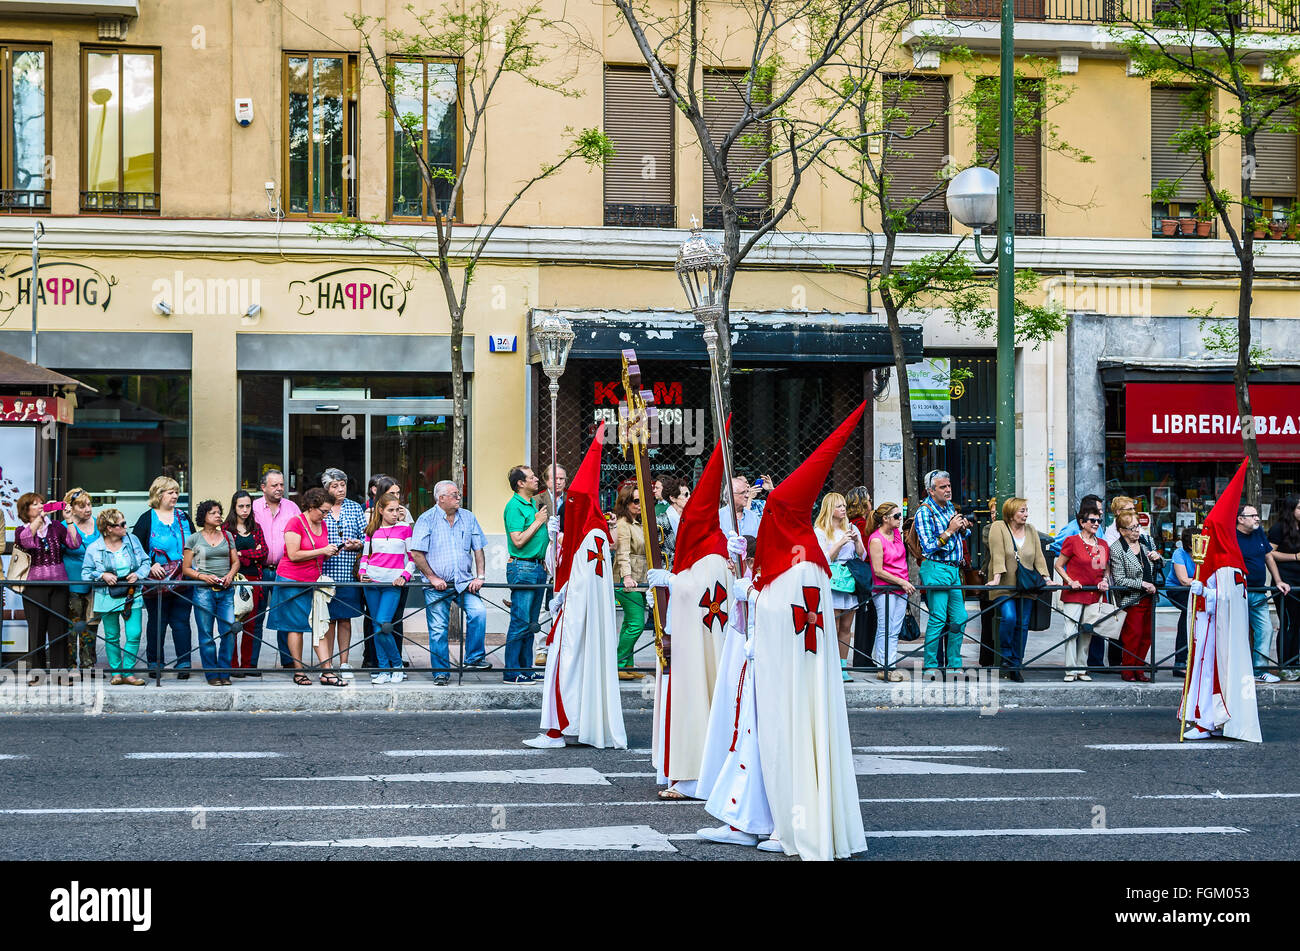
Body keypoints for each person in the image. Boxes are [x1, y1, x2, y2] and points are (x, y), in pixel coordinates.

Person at [742, 403, 867, 860]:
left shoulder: (794, 569)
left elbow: (779, 616)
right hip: (808, 673)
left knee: (787, 743)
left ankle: (791, 828)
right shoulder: (810, 560)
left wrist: (751, 596)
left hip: (788, 679)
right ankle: (809, 820)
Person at [645, 436, 740, 800]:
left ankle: (696, 776)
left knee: (698, 699)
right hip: (695, 641)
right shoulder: (709, 552)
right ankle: (684, 771)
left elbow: (697, 591)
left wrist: (671, 580)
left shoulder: (714, 556)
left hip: (700, 646)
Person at [525, 422, 627, 750]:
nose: (567, 505)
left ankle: (557, 731)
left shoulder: (592, 537)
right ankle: (572, 726)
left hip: (576, 617)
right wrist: (557, 541)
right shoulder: (588, 533)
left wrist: (562, 599)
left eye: (571, 503)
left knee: (563, 667)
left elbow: (583, 583)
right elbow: (565, 567)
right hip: (576, 615)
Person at [1180, 459, 1261, 742]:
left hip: (1217, 631)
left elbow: (1227, 601)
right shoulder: (1222, 562)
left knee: (1210, 675)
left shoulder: (1227, 564)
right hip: (1210, 627)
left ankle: (1208, 720)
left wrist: (1204, 593)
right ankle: (1204, 718)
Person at [411, 480, 489, 684]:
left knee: (478, 612)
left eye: (458, 494)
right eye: (454, 494)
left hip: (464, 582)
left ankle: (474, 658)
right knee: (438, 629)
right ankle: (441, 673)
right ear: (441, 498)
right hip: (437, 586)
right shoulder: (426, 519)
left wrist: (480, 576)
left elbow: (478, 548)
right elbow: (417, 553)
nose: (458, 498)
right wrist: (432, 577)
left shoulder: (468, 517)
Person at [268, 487, 337, 686]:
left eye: (328, 511)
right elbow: (293, 554)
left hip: (313, 581)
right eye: (323, 511)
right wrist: (323, 550)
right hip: (291, 580)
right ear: (311, 506)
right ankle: (299, 672)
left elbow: (317, 549)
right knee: (295, 627)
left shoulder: (322, 524)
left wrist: (331, 550)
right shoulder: (295, 522)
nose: (326, 515)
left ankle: (327, 671)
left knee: (320, 624)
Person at [132, 476, 195, 679]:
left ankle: (184, 663)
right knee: (157, 622)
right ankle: (155, 663)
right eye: (171, 492)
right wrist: (151, 565)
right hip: (157, 580)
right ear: (159, 494)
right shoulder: (146, 519)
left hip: (183, 579)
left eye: (176, 492)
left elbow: (194, 544)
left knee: (181, 622)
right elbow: (136, 548)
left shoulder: (183, 517)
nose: (175, 496)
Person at [15, 492, 82, 682]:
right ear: (25, 510)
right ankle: (37, 673)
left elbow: (75, 544)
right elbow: (27, 541)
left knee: (58, 629)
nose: (40, 506)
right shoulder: (21, 529)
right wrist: (39, 518)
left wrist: (69, 521)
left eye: (42, 503)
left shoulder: (56, 527)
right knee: (36, 630)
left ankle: (59, 673)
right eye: (35, 504)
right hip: (34, 586)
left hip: (59, 584)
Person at [81, 507, 148, 685]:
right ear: (109, 528)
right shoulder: (95, 548)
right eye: (122, 524)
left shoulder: (132, 541)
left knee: (134, 634)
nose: (126, 526)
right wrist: (101, 575)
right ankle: (116, 672)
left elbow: (146, 561)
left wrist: (138, 574)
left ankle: (128, 671)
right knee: (111, 635)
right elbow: (85, 573)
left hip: (131, 594)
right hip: (106, 595)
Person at [914, 469, 971, 675]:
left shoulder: (949, 508)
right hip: (936, 568)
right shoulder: (924, 511)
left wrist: (963, 527)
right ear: (930, 490)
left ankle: (954, 663)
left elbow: (962, 534)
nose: (948, 490)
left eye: (949, 486)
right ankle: (930, 665)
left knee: (959, 617)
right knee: (938, 617)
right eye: (942, 487)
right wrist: (950, 530)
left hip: (954, 570)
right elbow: (928, 546)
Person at [986, 497, 1049, 682]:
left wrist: (1046, 577)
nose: (1026, 514)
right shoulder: (999, 527)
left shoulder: (1031, 530)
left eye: (1026, 510)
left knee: (1022, 625)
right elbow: (997, 553)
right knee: (1009, 617)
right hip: (1004, 585)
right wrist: (996, 577)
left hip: (1026, 584)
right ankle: (1005, 655)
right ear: (1011, 513)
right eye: (1022, 510)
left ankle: (1016, 664)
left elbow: (1039, 556)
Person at [183, 499, 240, 686]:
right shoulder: (194, 539)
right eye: (213, 513)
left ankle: (225, 672)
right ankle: (211, 674)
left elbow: (236, 562)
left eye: (219, 512)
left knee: (229, 630)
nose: (218, 516)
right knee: (206, 634)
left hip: (226, 590)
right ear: (204, 516)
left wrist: (231, 575)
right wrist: (202, 577)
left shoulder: (228, 536)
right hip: (203, 591)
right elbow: (186, 569)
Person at [359, 491, 413, 684]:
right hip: (371, 582)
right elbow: (365, 556)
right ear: (380, 510)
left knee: (383, 623)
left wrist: (404, 576)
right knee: (376, 626)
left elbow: (412, 558)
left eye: (397, 509)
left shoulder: (405, 528)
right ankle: (383, 670)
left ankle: (396, 665)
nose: (395, 513)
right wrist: (362, 573)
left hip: (392, 583)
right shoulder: (371, 530)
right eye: (390, 510)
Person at [1236, 502, 1291, 683]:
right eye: (1252, 516)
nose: (1257, 518)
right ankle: (1236, 671)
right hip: (1238, 592)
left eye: (1257, 515)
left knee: (1265, 629)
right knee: (1237, 632)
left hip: (1259, 591)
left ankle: (1259, 669)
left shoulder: (1258, 532)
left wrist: (1278, 581)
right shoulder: (1232, 536)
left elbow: (1268, 555)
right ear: (1241, 519)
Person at [252, 469, 302, 669]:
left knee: (286, 617)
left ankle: (289, 662)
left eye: (282, 484)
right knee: (255, 617)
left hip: (286, 570)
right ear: (263, 487)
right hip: (259, 570)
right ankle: (251, 663)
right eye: (275, 485)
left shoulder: (292, 508)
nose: (280, 488)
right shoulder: (252, 508)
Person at [503, 464, 549, 683]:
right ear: (520, 483)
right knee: (520, 621)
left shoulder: (532, 504)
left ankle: (525, 667)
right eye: (532, 477)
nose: (536, 479)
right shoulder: (515, 506)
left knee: (531, 622)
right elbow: (518, 540)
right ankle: (511, 672)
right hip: (523, 567)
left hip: (537, 566)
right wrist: (538, 522)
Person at [814, 491, 866, 683]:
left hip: (849, 580)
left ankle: (843, 666)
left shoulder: (852, 527)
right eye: (838, 506)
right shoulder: (820, 531)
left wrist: (856, 540)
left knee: (846, 626)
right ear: (829, 509)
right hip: (832, 580)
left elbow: (862, 555)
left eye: (844, 505)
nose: (843, 509)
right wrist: (841, 541)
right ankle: (829, 666)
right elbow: (823, 558)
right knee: (832, 625)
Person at [1055, 504, 1110, 681]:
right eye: (1092, 520)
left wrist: (1104, 580)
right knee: (1070, 630)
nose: (1096, 523)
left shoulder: (1102, 544)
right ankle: (1070, 670)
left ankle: (1082, 669)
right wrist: (1070, 581)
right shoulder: (1072, 541)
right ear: (1082, 522)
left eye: (1098, 521)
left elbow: (1105, 568)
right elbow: (1058, 565)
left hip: (1094, 593)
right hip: (1075, 592)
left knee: (1088, 631)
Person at [320, 468, 366, 679]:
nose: (340, 489)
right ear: (326, 488)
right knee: (327, 620)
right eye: (335, 486)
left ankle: (344, 663)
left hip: (348, 572)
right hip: (325, 572)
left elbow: (367, 537)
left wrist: (358, 544)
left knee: (345, 619)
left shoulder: (355, 508)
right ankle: (327, 663)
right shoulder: (322, 509)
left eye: (343, 485)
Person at [1109, 512, 1161, 682]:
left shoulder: (1147, 542)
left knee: (1147, 636)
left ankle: (1140, 669)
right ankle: (1128, 670)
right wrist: (1142, 584)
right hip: (1132, 599)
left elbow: (1160, 565)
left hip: (1150, 597)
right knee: (1133, 635)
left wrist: (1158, 558)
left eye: (1138, 526)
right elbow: (1120, 578)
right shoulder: (1117, 549)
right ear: (1122, 530)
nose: (1137, 531)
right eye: (1132, 528)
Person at [866, 501, 912, 681]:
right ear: (885, 519)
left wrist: (903, 583)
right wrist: (901, 581)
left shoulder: (897, 535)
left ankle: (890, 665)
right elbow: (877, 570)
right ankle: (883, 667)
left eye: (900, 515)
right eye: (896, 516)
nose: (900, 519)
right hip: (884, 589)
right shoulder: (876, 539)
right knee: (885, 627)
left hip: (901, 587)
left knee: (895, 628)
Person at [225, 490, 268, 677]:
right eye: (241, 506)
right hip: (234, 581)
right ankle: (233, 665)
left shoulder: (256, 527)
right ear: (234, 507)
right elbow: (227, 555)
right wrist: (249, 554)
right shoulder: (227, 529)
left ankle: (248, 665)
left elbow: (263, 552)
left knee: (251, 624)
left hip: (254, 580)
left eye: (248, 506)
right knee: (234, 623)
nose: (244, 510)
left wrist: (242, 554)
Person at [613, 483, 650, 681]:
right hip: (627, 579)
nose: (639, 504)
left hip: (640, 578)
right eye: (636, 501)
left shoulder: (638, 522)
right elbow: (623, 553)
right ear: (626, 503)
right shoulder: (623, 524)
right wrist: (626, 577)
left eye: (641, 500)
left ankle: (627, 663)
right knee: (636, 623)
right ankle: (618, 662)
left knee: (630, 622)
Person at [61, 488, 101, 669]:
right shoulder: (64, 525)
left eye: (89, 504)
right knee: (72, 626)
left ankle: (88, 663)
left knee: (91, 625)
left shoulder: (98, 524)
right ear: (71, 507)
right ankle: (68, 664)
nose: (88, 509)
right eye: (82, 505)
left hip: (94, 583)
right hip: (72, 582)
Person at [1268, 495, 1300, 680]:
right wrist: (1295, 557)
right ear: (1291, 510)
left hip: (1299, 582)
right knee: (1288, 623)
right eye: (1299, 508)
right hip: (1285, 582)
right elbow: (1269, 553)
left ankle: (1295, 663)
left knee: (1298, 625)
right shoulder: (1279, 528)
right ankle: (1285, 664)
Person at [1167, 525, 1198, 676]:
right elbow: (1184, 580)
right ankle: (1180, 662)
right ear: (1191, 544)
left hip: (1197, 589)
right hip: (1177, 590)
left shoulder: (1205, 552)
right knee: (1188, 614)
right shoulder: (1179, 553)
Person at [656, 476, 691, 566]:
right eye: (686, 495)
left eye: (690, 494)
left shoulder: (691, 519)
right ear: (673, 498)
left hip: (690, 571)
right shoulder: (660, 521)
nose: (689, 498)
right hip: (668, 572)